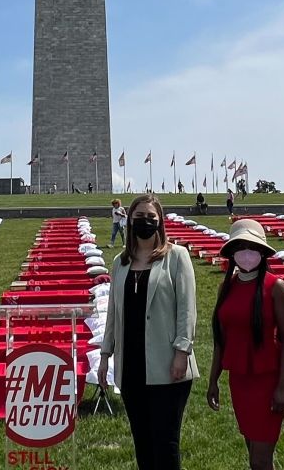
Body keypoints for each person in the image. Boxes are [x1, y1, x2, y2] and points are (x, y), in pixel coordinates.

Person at [98, 194, 198, 470]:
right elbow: (113, 313)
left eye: (151, 218)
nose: (145, 222)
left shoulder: (177, 256)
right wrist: (106, 353)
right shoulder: (120, 262)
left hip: (167, 365)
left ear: (160, 222)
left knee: (165, 444)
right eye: (139, 217)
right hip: (131, 365)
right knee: (142, 442)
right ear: (129, 221)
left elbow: (187, 309)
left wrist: (182, 352)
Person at [206, 220, 284, 470]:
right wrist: (213, 380)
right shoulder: (226, 287)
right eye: (240, 247)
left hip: (267, 379)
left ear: (263, 252)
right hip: (240, 379)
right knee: (252, 450)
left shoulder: (276, 288)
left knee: (260, 459)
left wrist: (283, 385)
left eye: (252, 247)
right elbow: (220, 339)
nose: (246, 253)